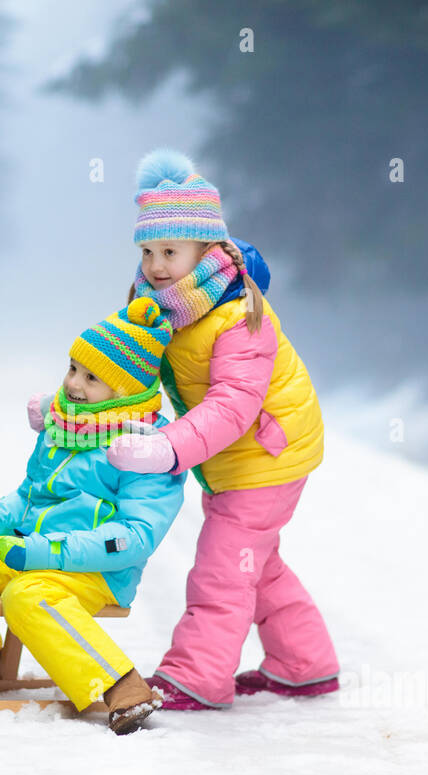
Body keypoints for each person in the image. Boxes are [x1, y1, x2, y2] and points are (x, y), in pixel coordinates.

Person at [105, 148, 340, 709]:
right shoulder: (165, 309)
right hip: (235, 460)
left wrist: (167, 447)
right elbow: (122, 370)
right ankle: (304, 665)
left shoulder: (238, 316)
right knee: (253, 562)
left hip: (266, 454)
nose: (157, 264)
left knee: (222, 568)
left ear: (207, 250)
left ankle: (196, 676)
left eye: (171, 251)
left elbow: (233, 404)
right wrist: (68, 408)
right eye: (148, 250)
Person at [0, 297, 186, 734]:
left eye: (92, 377)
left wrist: (46, 551)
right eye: (73, 369)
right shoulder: (62, 429)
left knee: (28, 594)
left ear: (126, 389)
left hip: (95, 571)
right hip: (28, 552)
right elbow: (26, 499)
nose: (74, 384)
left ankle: (120, 684)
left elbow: (136, 536)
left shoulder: (143, 452)